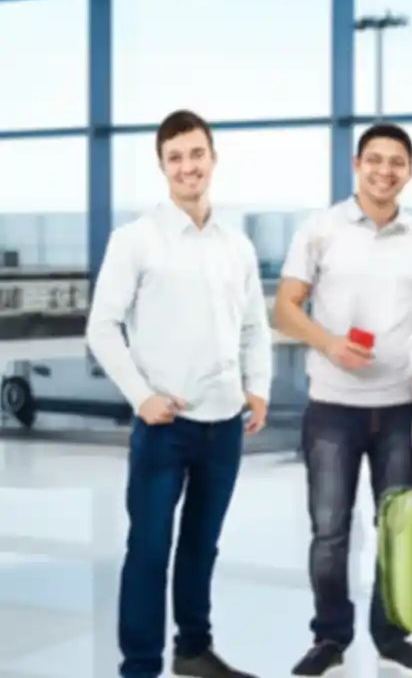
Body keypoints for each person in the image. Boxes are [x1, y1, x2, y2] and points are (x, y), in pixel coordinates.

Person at [86, 109, 272, 678]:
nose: (188, 166)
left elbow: (253, 327)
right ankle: (139, 666)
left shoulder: (235, 246)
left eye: (196, 154)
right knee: (148, 551)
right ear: (162, 166)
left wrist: (258, 388)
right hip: (164, 428)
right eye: (176, 158)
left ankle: (193, 651)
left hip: (224, 426)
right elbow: (101, 326)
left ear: (212, 158)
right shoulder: (136, 240)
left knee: (200, 548)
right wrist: (141, 396)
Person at [275, 124, 412, 676]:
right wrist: (329, 344)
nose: (385, 171)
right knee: (330, 530)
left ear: (409, 171)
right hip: (332, 407)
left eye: (396, 162)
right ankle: (330, 637)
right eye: (375, 160)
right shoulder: (320, 230)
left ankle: (390, 635)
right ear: (357, 163)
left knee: (396, 526)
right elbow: (286, 307)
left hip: (399, 406)